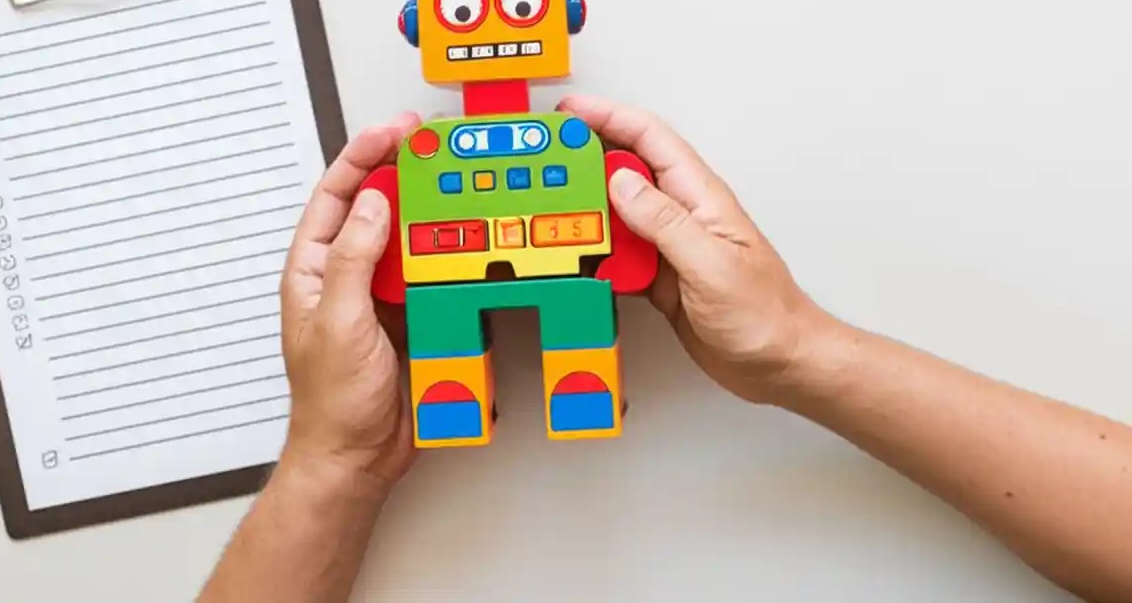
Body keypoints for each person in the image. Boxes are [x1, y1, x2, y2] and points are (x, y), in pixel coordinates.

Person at [197, 95, 1132, 603]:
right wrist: (338, 456)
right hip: (462, 293)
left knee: (572, 343)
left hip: (569, 284)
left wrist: (334, 458)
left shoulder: (570, 165)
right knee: (458, 348)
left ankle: (556, 386)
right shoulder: (448, 172)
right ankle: (467, 391)